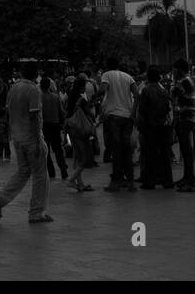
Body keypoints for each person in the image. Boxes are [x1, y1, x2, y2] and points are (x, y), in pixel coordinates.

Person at [0, 61, 51, 223]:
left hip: (18, 139)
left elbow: (8, 113)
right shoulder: (33, 90)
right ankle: (36, 212)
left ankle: (0, 198)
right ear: (36, 75)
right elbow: (34, 118)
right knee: (41, 175)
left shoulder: (14, 89)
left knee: (23, 172)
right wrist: (36, 141)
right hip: (31, 138)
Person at [99, 57, 137, 192]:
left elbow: (103, 89)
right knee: (126, 150)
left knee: (116, 150)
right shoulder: (128, 77)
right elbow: (137, 94)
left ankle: (115, 182)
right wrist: (133, 112)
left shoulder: (106, 75)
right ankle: (130, 182)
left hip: (113, 117)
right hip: (127, 117)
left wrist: (94, 96)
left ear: (107, 65)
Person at [136, 66, 174, 189]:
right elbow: (168, 107)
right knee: (164, 154)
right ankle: (166, 180)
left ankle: (149, 181)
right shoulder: (163, 89)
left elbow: (142, 109)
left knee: (149, 154)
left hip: (150, 126)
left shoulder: (146, 90)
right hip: (163, 125)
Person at [171, 60, 195, 192]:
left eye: (174, 69)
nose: (173, 72)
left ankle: (190, 181)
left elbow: (173, 99)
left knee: (187, 150)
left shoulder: (180, 83)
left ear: (179, 70)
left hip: (185, 118)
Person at [64, 78, 96, 193]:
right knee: (85, 158)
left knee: (77, 156)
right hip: (81, 130)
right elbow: (90, 113)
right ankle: (72, 180)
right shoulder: (81, 99)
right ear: (81, 87)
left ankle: (80, 184)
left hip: (71, 129)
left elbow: (66, 114)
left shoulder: (70, 97)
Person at [40, 77, 67, 181]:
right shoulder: (55, 97)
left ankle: (51, 172)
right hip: (55, 125)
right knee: (58, 149)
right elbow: (62, 112)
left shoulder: (39, 97)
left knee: (46, 150)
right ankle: (63, 169)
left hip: (45, 126)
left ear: (41, 86)